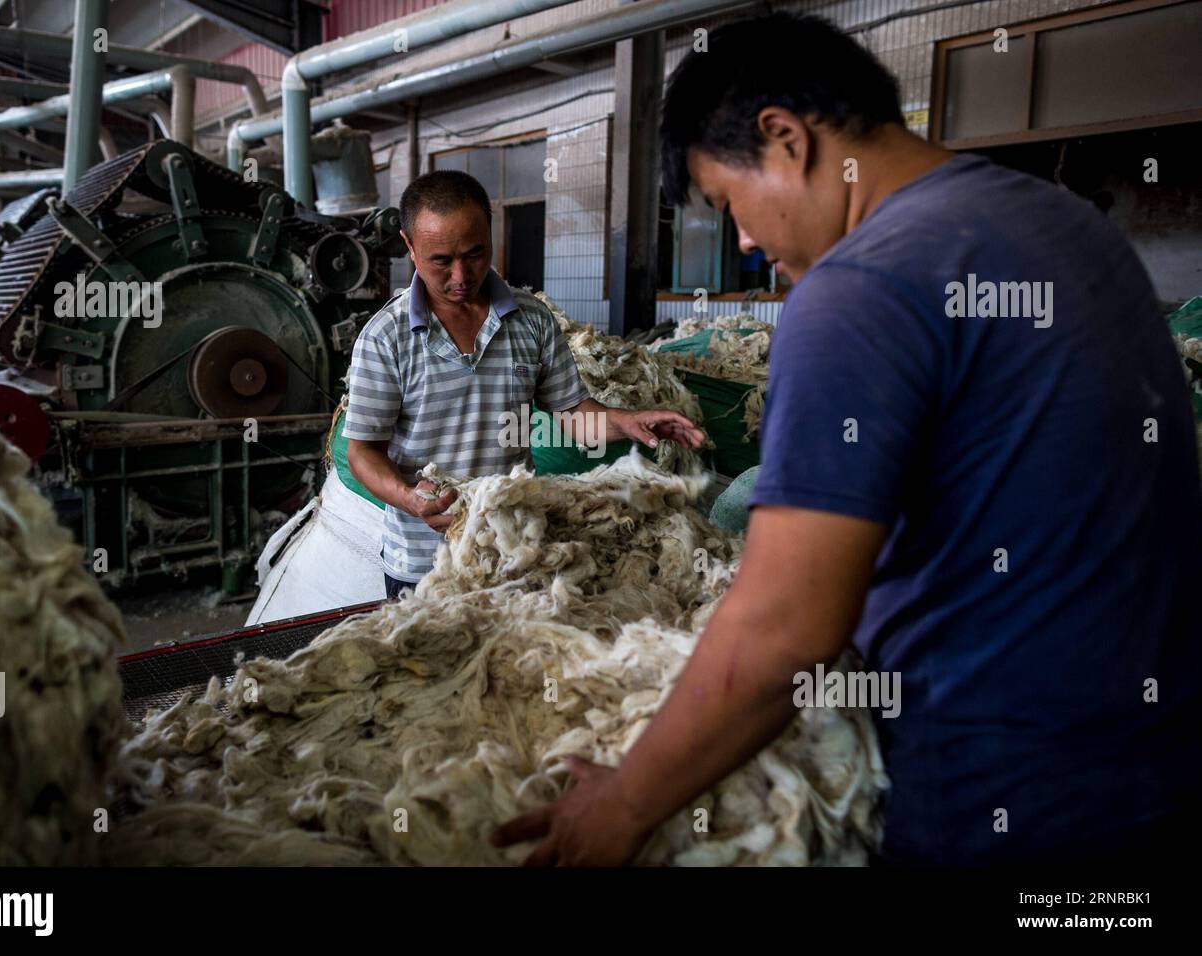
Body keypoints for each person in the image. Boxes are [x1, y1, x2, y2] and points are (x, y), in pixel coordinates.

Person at [493, 12, 1202, 866]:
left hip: (1010, 797)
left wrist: (623, 803)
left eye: (729, 205)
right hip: (1158, 767)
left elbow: (788, 630)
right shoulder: (1068, 228)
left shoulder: (859, 289)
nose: (746, 244)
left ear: (785, 139)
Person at [343, 170, 705, 599]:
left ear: (491, 233)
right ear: (409, 245)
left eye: (475, 253)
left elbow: (572, 415)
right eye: (441, 260)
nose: (461, 275)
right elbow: (363, 450)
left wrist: (629, 422)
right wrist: (408, 498)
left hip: (513, 551)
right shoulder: (386, 336)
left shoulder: (530, 319)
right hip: (424, 565)